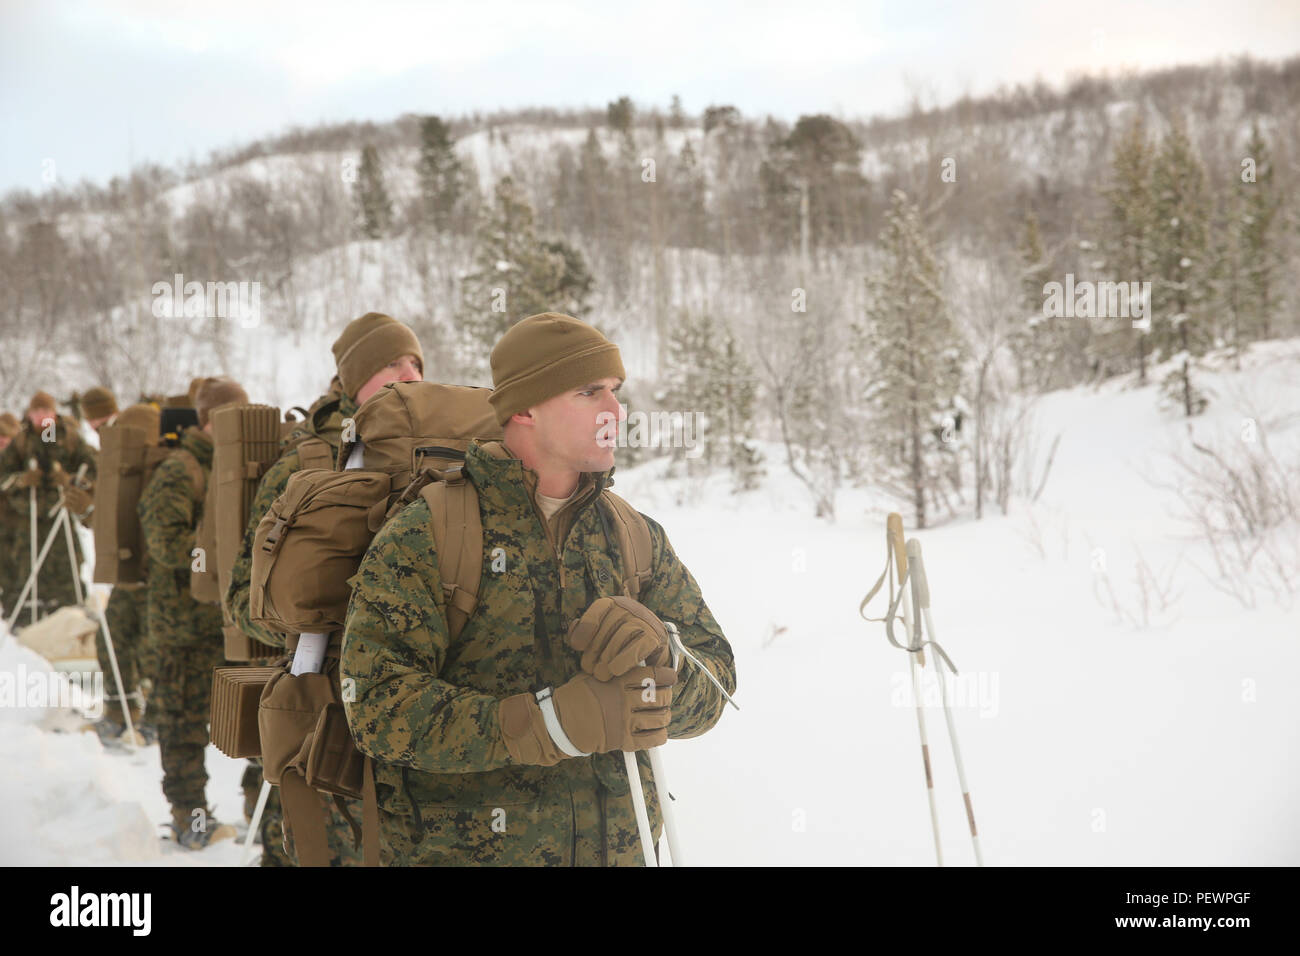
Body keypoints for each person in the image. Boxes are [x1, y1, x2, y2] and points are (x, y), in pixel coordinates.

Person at [341, 312, 736, 866]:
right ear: (524, 409)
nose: (614, 412)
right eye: (588, 391)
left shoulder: (632, 535)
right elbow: (376, 707)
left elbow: (717, 689)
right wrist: (544, 724)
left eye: (616, 391)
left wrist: (662, 654)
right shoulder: (429, 533)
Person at [225, 310, 423, 865]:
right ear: (352, 380)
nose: (410, 374)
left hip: (419, 706)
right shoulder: (307, 462)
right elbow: (244, 595)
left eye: (416, 362)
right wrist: (312, 605)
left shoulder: (448, 456)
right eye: (391, 364)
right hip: (324, 708)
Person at [140, 377, 247, 849]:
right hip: (182, 628)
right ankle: (190, 818)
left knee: (256, 720)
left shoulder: (237, 466)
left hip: (229, 624)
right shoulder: (181, 470)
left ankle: (258, 808)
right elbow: (163, 542)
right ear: (209, 420)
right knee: (182, 727)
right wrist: (218, 552)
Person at [88, 403, 162, 746]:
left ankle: (157, 719)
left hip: (156, 582)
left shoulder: (167, 470)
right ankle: (119, 711)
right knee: (111, 644)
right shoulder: (122, 471)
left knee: (154, 653)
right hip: (127, 577)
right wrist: (90, 511)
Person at [0, 391, 97, 618]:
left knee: (65, 562)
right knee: (27, 565)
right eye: (37, 412)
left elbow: (92, 469)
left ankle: (69, 610)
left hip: (61, 511)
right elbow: (3, 475)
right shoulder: (21, 441)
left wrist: (70, 479)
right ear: (30, 414)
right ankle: (25, 613)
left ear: (54, 413)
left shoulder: (68, 438)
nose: (42, 417)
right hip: (27, 516)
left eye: (46, 412)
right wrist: (22, 480)